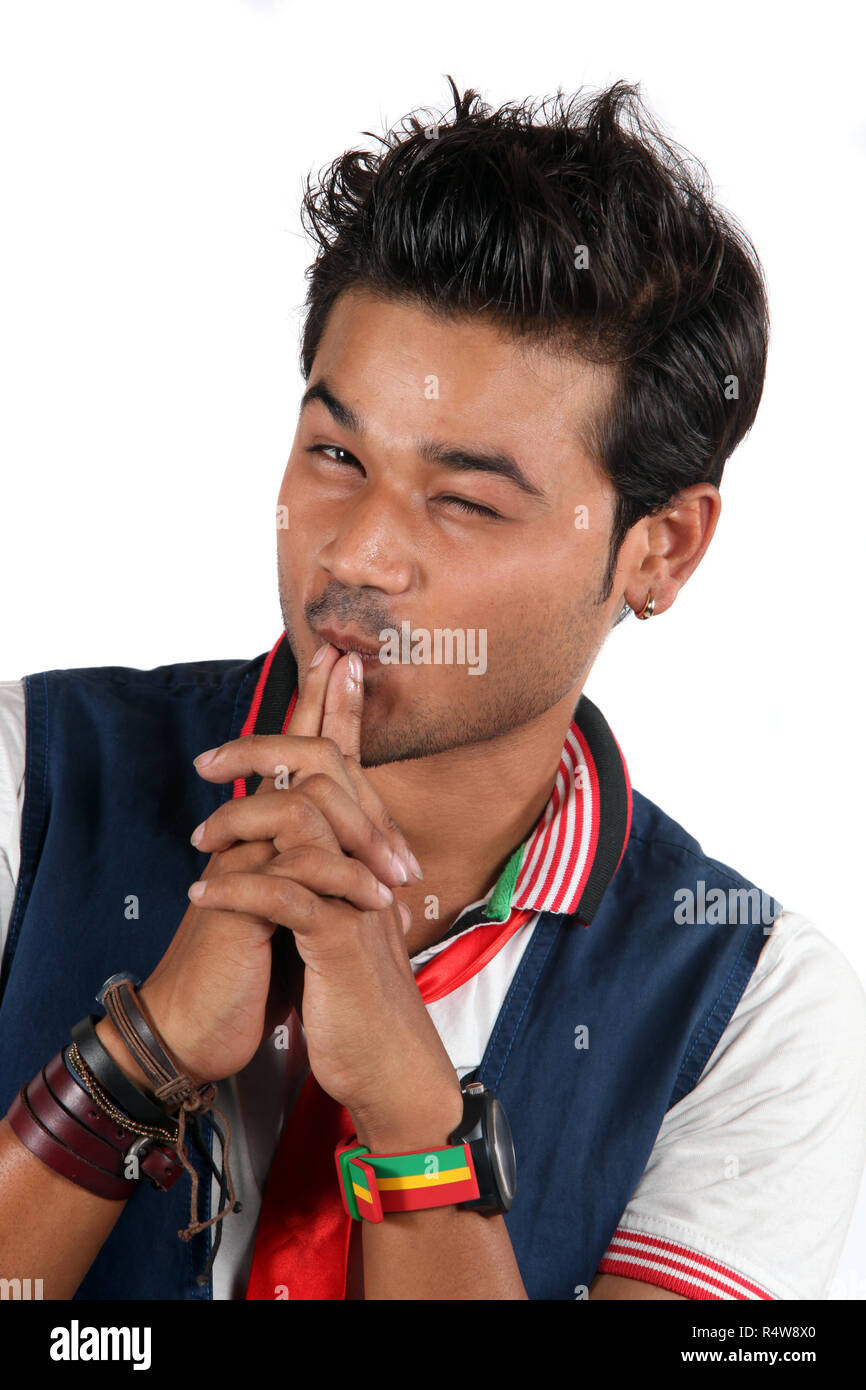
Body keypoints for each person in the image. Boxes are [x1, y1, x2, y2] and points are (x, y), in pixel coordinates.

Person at [1, 77, 864, 1303]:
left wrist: (410, 1115)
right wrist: (143, 1055)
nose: (355, 555)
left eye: (463, 500)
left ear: (659, 548)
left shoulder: (754, 1009)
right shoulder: (28, 774)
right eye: (335, 454)